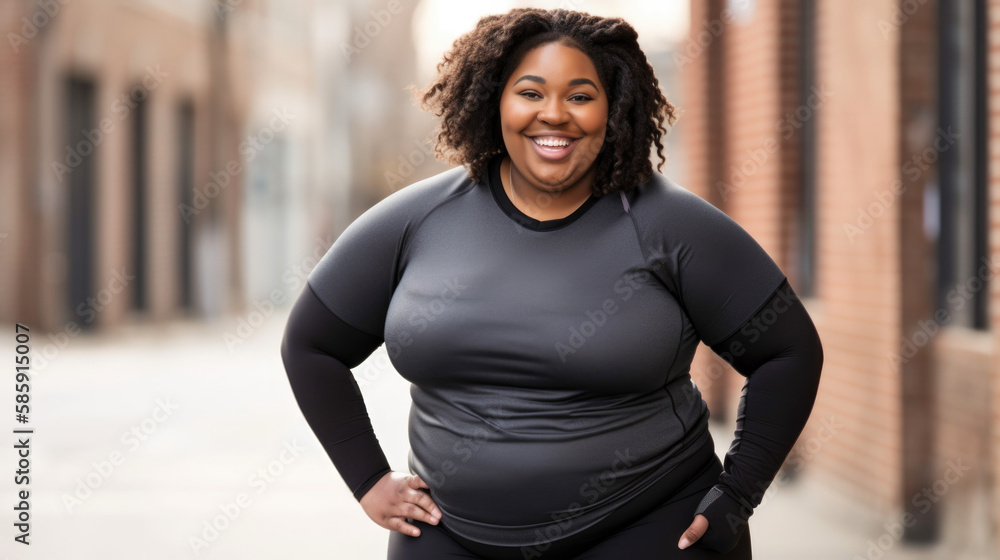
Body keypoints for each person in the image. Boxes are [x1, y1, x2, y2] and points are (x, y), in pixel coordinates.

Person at [279, 7, 823, 560]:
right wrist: (368, 479)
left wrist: (737, 494)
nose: (555, 115)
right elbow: (311, 345)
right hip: (447, 534)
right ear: (495, 100)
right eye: (531, 93)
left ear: (613, 107)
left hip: (646, 525)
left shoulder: (670, 226)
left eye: (581, 96)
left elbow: (788, 351)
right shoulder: (417, 222)